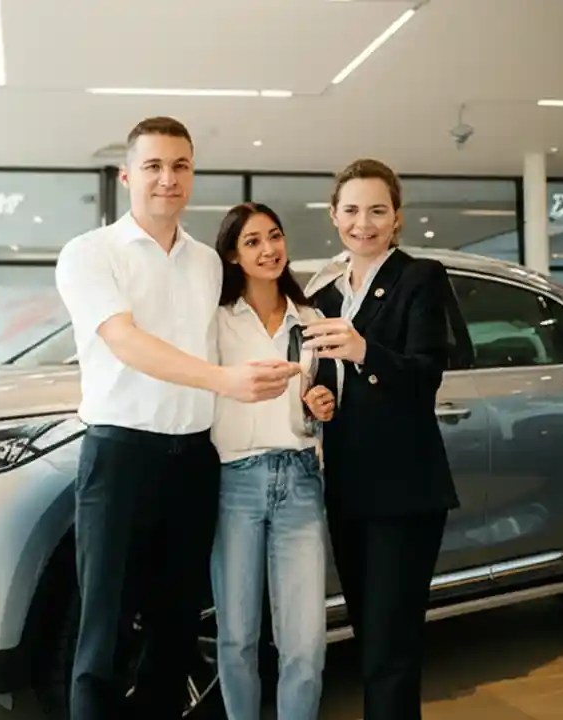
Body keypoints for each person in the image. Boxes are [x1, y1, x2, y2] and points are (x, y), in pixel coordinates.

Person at [54, 117, 302, 720]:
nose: (168, 179)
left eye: (181, 166)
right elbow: (126, 341)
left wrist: (303, 393)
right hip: (121, 457)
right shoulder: (90, 254)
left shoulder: (208, 264)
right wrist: (225, 382)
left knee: (175, 631)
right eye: (154, 166)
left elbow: (248, 332)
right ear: (126, 176)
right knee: (104, 634)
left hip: (195, 460)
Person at [301, 158, 461, 720]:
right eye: (350, 210)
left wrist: (364, 350)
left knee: (390, 647)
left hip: (403, 489)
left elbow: (423, 377)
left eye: (376, 211)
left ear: (396, 218)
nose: (362, 223)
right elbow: (329, 381)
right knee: (369, 635)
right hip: (348, 486)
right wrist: (317, 397)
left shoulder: (420, 277)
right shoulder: (324, 294)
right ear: (333, 215)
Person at [209, 202, 336, 720]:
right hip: (234, 481)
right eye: (253, 242)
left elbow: (324, 402)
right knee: (237, 636)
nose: (269, 249)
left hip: (301, 480)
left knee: (305, 644)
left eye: (275, 236)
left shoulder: (313, 321)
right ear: (234, 256)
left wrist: (323, 406)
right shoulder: (214, 321)